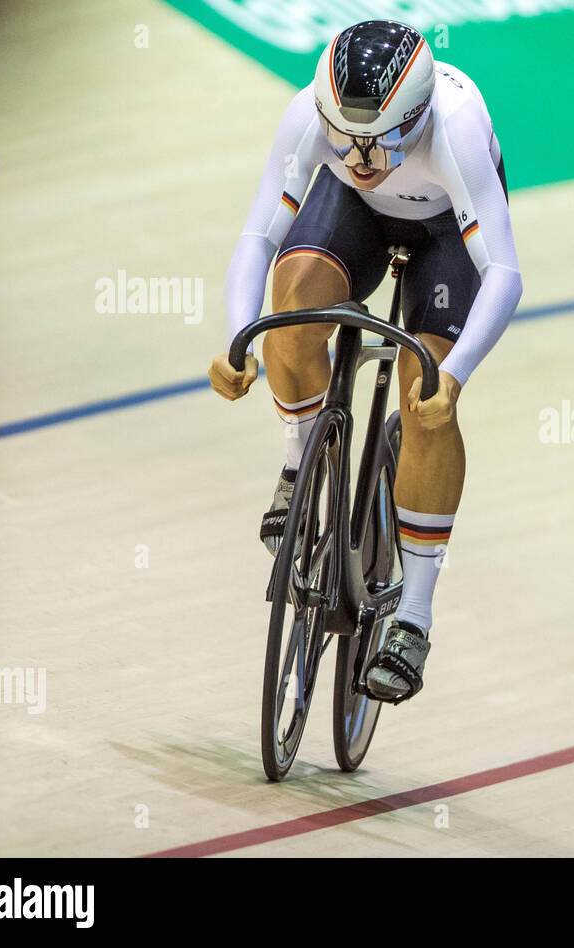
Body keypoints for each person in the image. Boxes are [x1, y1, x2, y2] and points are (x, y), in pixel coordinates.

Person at [208, 19, 522, 704]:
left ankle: (413, 616)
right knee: (288, 319)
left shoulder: (456, 128)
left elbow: (502, 272)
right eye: (343, 140)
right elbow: (257, 236)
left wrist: (456, 375)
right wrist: (239, 337)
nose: (357, 155)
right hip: (354, 214)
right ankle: (298, 466)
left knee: (425, 398)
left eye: (378, 142)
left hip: (444, 231)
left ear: (414, 116)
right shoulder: (313, 118)